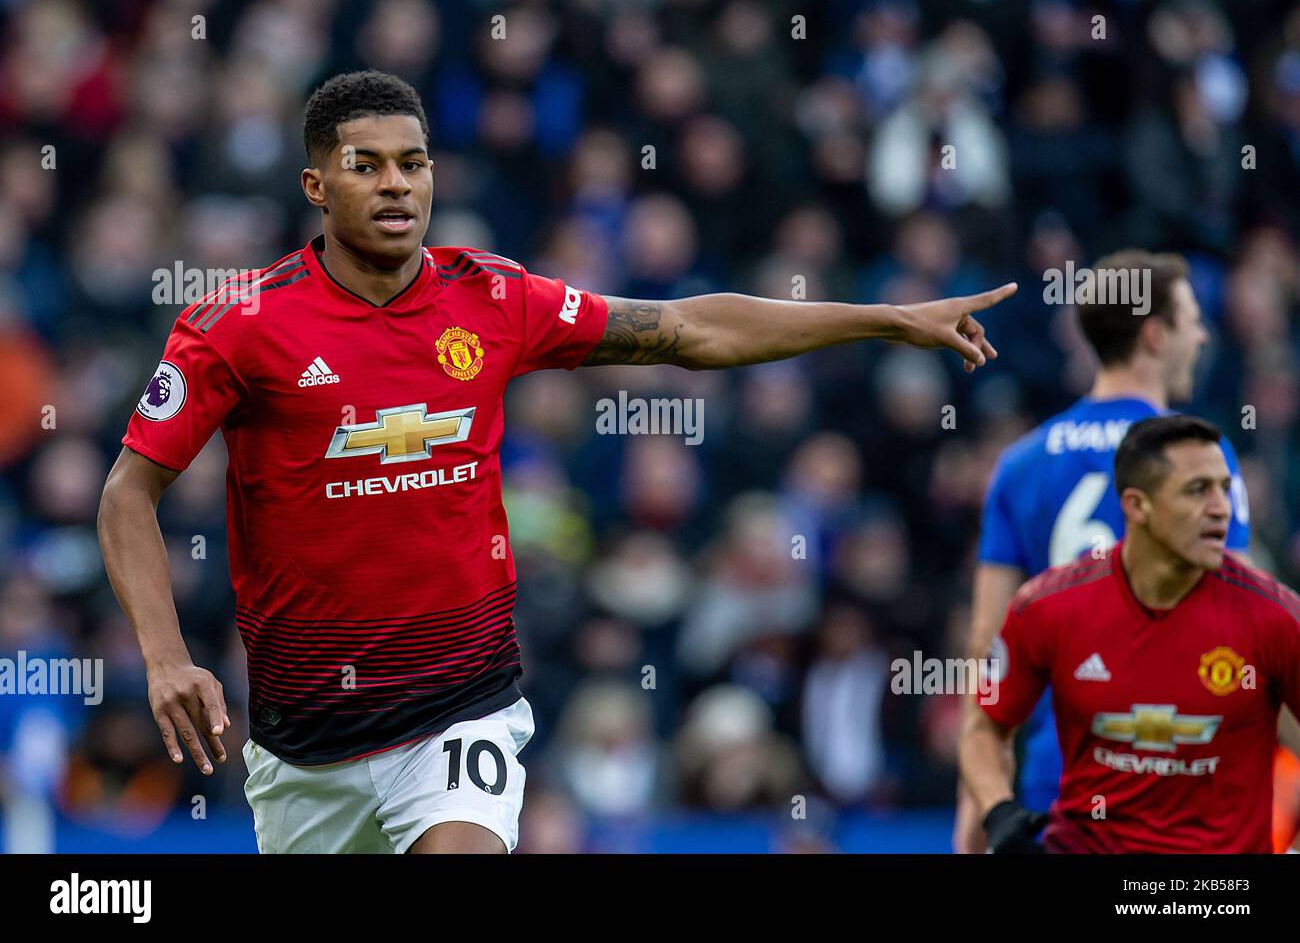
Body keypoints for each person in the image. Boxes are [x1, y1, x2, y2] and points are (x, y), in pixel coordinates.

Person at [97, 70, 1016, 854]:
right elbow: (127, 494)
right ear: (313, 184)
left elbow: (688, 328)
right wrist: (167, 656)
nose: (396, 186)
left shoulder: (493, 297)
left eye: (412, 164)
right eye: (364, 165)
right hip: (305, 745)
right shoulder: (240, 324)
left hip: (462, 704)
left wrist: (885, 318)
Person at [952, 249, 1259, 852]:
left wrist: (980, 796)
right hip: (1175, 779)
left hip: (1053, 778)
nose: (1202, 335)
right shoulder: (1201, 461)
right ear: (1154, 334)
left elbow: (987, 641)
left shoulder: (1021, 463)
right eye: (1191, 319)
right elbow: (1242, 624)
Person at [960, 415, 1300, 853]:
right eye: (1198, 490)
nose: (1221, 508)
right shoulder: (1048, 608)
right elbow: (984, 725)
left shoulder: (1274, 617)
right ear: (1137, 506)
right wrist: (998, 810)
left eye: (1224, 488)